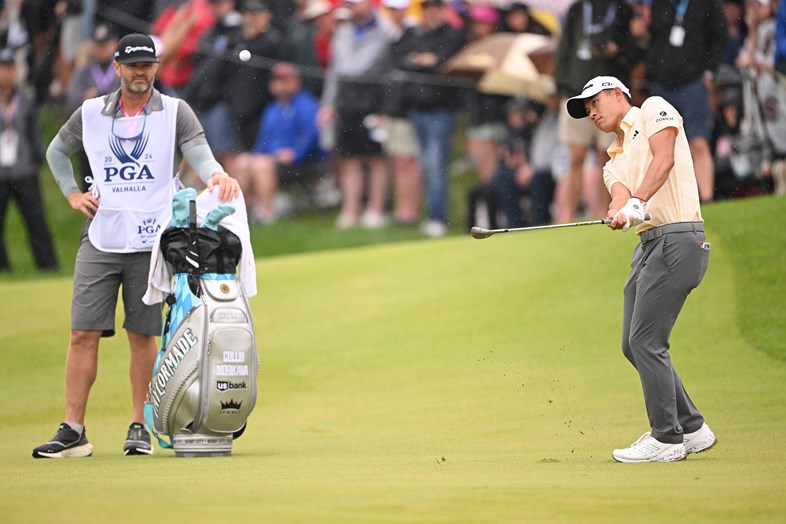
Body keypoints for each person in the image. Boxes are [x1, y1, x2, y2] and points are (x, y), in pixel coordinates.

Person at [32, 33, 240, 458]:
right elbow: (56, 151)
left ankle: (138, 425)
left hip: (153, 240)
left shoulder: (175, 111)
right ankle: (73, 429)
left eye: (147, 65)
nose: (140, 72)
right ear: (118, 69)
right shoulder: (91, 111)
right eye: (132, 65)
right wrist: (73, 193)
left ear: (156, 68)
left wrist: (215, 173)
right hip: (102, 235)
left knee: (142, 335)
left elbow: (198, 151)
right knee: (81, 333)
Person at [566, 76, 716, 462]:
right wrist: (621, 210)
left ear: (619, 94)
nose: (592, 112)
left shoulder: (653, 110)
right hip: (650, 245)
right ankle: (694, 428)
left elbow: (663, 159)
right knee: (632, 345)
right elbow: (619, 195)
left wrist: (637, 202)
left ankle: (667, 438)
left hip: (679, 237)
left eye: (595, 101)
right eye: (586, 110)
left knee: (647, 342)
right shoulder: (613, 158)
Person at [553, 0, 638, 223]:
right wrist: (562, 85)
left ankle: (604, 211)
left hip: (609, 97)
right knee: (575, 156)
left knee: (607, 156)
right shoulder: (578, 8)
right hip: (575, 92)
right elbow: (564, 47)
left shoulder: (622, 9)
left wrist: (616, 53)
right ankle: (566, 215)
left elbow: (634, 52)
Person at [394, 0, 465, 237]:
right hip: (417, 110)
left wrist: (428, 62)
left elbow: (444, 64)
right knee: (425, 165)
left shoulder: (453, 36)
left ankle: (438, 218)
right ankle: (432, 215)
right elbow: (403, 61)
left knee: (436, 166)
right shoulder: (416, 34)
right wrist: (425, 62)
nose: (432, 14)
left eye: (436, 9)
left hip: (441, 111)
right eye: (428, 10)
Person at [645, 0, 728, 202]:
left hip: (694, 82)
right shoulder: (660, 3)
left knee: (698, 141)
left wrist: (709, 73)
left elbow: (720, 37)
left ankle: (707, 198)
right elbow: (654, 38)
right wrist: (653, 70)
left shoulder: (709, 4)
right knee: (659, 145)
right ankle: (665, 202)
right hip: (662, 83)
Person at [318, 0, 390, 229]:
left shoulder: (383, 28)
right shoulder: (344, 31)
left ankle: (375, 210)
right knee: (349, 158)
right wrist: (328, 104)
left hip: (373, 101)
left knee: (376, 158)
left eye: (356, 4)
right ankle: (350, 210)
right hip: (346, 102)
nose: (352, 8)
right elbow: (335, 70)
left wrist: (385, 110)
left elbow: (383, 68)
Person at [232, 62, 324, 223]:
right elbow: (263, 140)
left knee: (261, 164)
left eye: (284, 80)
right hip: (271, 158)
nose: (279, 84)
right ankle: (239, 213)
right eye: (276, 80)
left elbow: (312, 135)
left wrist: (295, 153)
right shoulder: (272, 108)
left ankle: (267, 213)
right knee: (242, 162)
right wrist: (255, 156)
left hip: (301, 161)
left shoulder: (306, 103)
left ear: (295, 81)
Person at [0, 47, 59, 272]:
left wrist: (37, 162)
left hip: (24, 170)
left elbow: (34, 132)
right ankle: (3, 267)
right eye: (2, 68)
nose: (6, 73)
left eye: (9, 68)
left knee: (36, 220)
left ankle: (48, 265)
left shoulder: (25, 98)